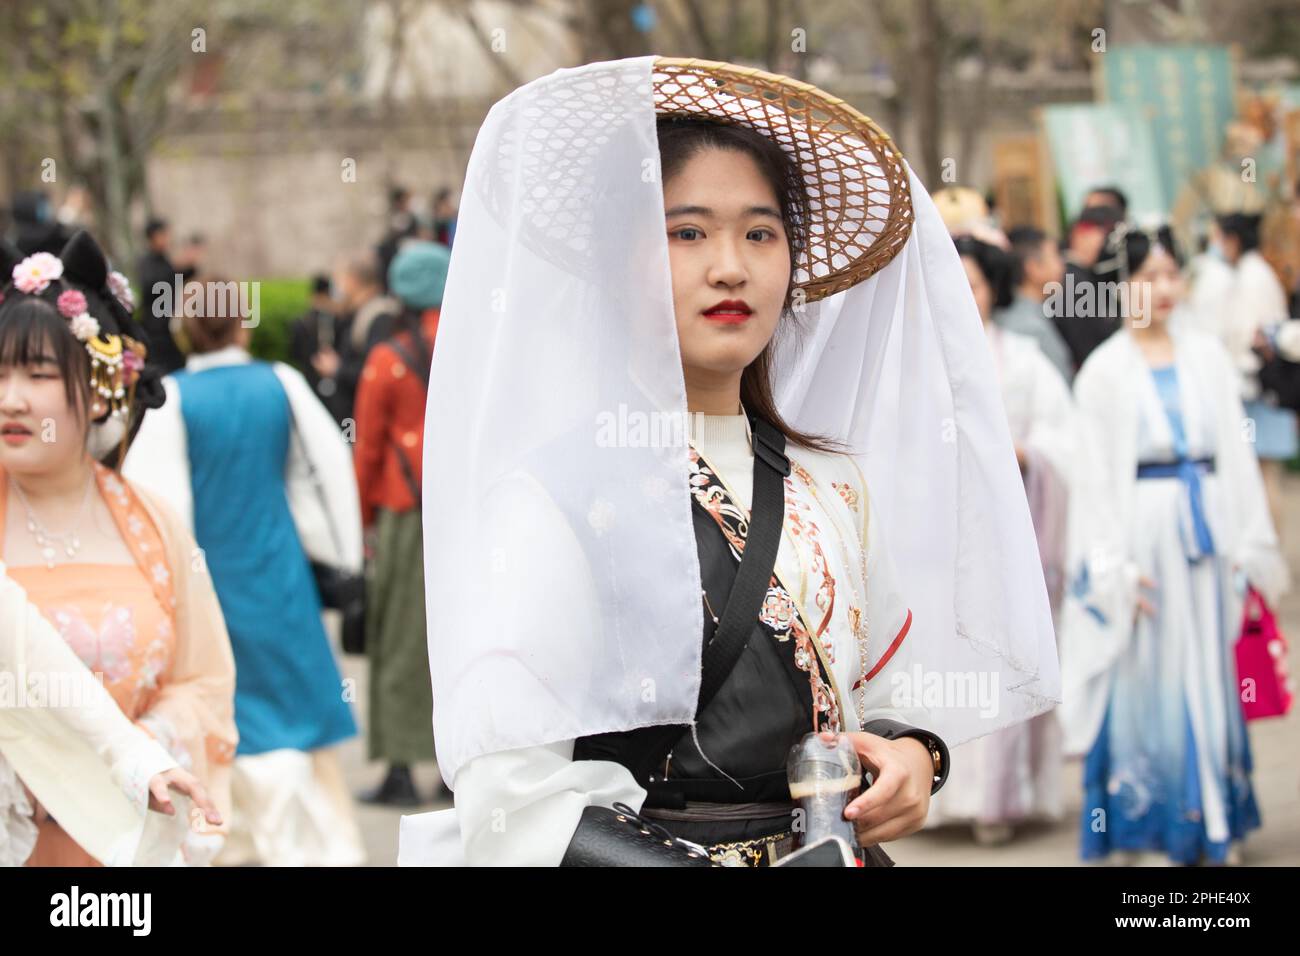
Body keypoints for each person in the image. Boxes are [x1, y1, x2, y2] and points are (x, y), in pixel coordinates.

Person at [397, 57, 1059, 867]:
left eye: (760, 232)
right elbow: (514, 804)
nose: (730, 266)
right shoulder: (550, 499)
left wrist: (917, 755)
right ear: (619, 267)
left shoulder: (834, 487)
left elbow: (868, 704)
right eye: (686, 232)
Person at [0, 231, 237, 865]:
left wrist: (141, 752)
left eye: (38, 373)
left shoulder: (154, 528)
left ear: (102, 385)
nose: (10, 399)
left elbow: (205, 681)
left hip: (128, 841)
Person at [1060, 222, 1288, 865]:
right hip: (1144, 541)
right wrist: (1114, 570)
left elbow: (1236, 459)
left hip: (1209, 534)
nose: (1163, 288)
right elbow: (1095, 482)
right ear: (1121, 285)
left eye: (1170, 274)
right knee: (1149, 680)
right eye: (1148, 276)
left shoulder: (1208, 356)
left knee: (1211, 671)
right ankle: (1154, 826)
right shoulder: (1103, 373)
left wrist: (1248, 542)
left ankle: (1215, 817)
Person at [123, 281, 367, 866]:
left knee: (232, 719)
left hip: (212, 586)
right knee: (295, 716)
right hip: (281, 574)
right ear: (244, 325)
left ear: (184, 329)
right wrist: (348, 559)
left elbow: (161, 504)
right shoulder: (280, 382)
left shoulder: (173, 401)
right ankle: (319, 849)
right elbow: (330, 466)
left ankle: (240, 844)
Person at [927, 236, 1074, 844]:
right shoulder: (920, 359)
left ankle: (1000, 797)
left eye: (977, 284)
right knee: (944, 657)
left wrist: (1025, 452)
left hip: (1011, 532)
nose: (966, 295)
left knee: (1001, 653)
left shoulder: (1025, 360)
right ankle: (942, 793)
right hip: (940, 536)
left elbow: (1066, 439)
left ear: (994, 290)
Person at [353, 241, 450, 806]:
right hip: (465, 513)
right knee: (457, 636)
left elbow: (367, 451)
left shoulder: (385, 358)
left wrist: (363, 522)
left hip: (403, 511)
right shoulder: (474, 345)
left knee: (398, 640)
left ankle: (399, 771)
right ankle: (454, 768)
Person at [314, 251, 401, 424]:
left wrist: (337, 369)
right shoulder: (359, 313)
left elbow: (375, 371)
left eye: (339, 279)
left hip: (366, 423)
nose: (336, 287)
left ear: (353, 280)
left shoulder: (380, 316)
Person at [998, 226, 1073, 383]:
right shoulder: (1028, 327)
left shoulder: (1027, 315)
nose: (1062, 266)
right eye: (1055, 257)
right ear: (1033, 267)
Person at [1054, 204, 1124, 371]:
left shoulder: (1082, 277)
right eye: (1106, 237)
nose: (1111, 247)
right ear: (1081, 233)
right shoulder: (1073, 282)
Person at [136, 218, 197, 376]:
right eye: (163, 235)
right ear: (153, 237)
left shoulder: (164, 260)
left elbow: (173, 279)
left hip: (169, 326)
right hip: (155, 329)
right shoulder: (146, 262)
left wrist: (189, 268)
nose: (166, 239)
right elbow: (153, 285)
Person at [289, 274, 350, 426]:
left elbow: (294, 353)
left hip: (310, 380)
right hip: (335, 385)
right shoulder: (340, 321)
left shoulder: (300, 322)